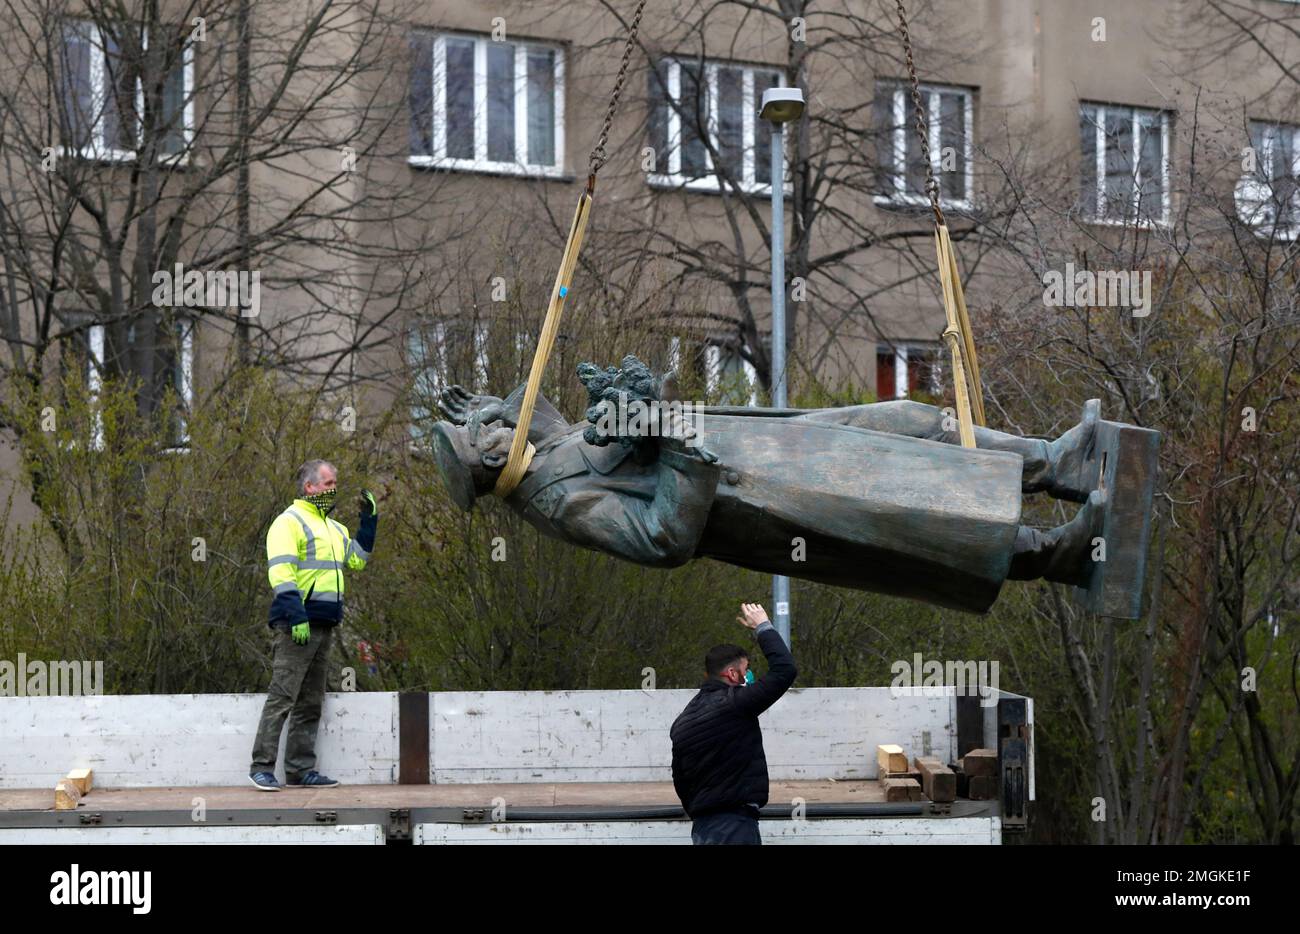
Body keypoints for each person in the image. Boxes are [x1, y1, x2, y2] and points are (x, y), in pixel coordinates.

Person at [248, 460, 378, 791]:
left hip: (324, 624)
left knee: (310, 702)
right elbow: (281, 572)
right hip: (297, 623)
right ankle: (261, 767)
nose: (334, 488)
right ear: (309, 487)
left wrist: (368, 521)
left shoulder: (334, 528)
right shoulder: (287, 523)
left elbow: (357, 561)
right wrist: (296, 616)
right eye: (328, 483)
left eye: (335, 482)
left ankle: (299, 769)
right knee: (282, 697)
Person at [670, 602, 798, 845]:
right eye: (746, 670)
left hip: (704, 827)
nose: (749, 676)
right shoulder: (735, 704)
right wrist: (763, 626)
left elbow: (681, 780)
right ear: (731, 674)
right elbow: (785, 670)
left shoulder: (683, 720)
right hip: (734, 825)